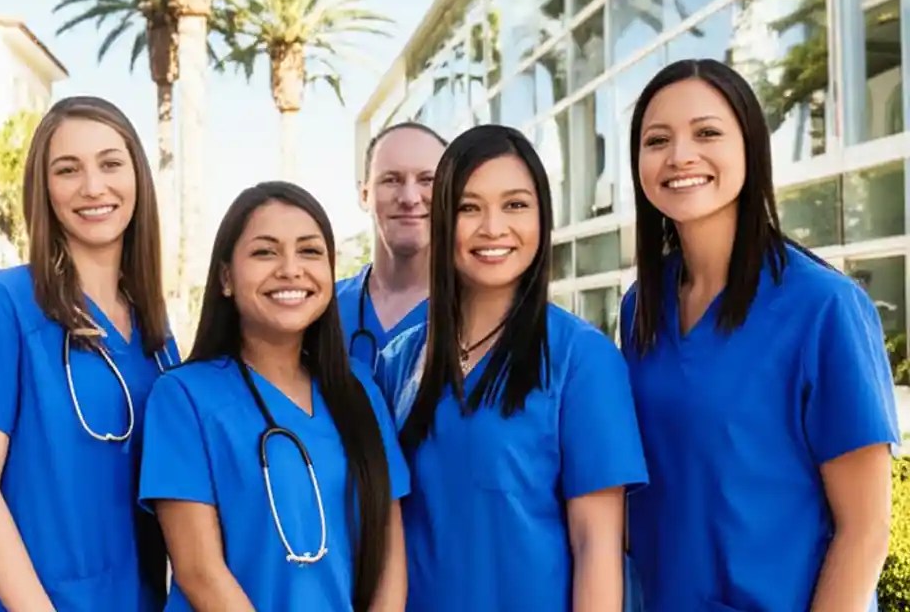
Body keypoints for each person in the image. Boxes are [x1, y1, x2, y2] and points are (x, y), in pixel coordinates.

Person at [620, 58, 898, 611]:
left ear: (750, 146)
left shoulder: (823, 307)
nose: (680, 156)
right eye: (657, 140)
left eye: (707, 133)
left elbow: (866, 531)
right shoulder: (641, 307)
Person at [374, 124, 648, 610]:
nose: (493, 228)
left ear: (543, 217)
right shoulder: (397, 361)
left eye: (515, 205)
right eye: (469, 207)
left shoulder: (581, 359)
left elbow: (596, 545)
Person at [0, 96, 177, 611]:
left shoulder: (155, 331)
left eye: (110, 164)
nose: (93, 187)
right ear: (43, 189)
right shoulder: (3, 304)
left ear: (137, 177)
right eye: (68, 169)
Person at [140, 181, 409, 611]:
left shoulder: (358, 389)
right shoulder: (183, 398)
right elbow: (199, 571)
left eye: (309, 251)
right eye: (265, 252)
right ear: (226, 278)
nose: (290, 269)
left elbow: (390, 547)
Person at [336, 122, 446, 367]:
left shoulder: (478, 313)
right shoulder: (321, 311)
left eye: (427, 180)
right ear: (364, 195)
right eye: (391, 180)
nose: (409, 198)